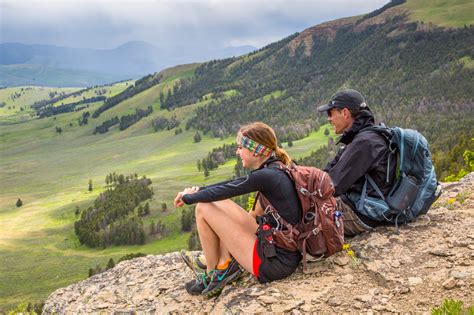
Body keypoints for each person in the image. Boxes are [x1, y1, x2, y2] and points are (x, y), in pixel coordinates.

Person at [174, 122, 302, 297]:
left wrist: (189, 197)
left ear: (256, 150)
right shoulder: (277, 167)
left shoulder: (267, 175)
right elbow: (226, 187)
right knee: (219, 203)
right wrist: (195, 192)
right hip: (280, 250)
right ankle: (224, 263)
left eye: (241, 147)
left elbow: (228, 187)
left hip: (273, 264)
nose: (237, 152)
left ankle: (214, 273)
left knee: (203, 207)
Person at [316, 89, 397, 236]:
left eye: (330, 113)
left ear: (345, 113)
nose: (329, 119)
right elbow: (331, 169)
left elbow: (333, 185)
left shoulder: (364, 142)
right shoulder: (362, 136)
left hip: (364, 214)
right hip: (366, 205)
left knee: (302, 219)